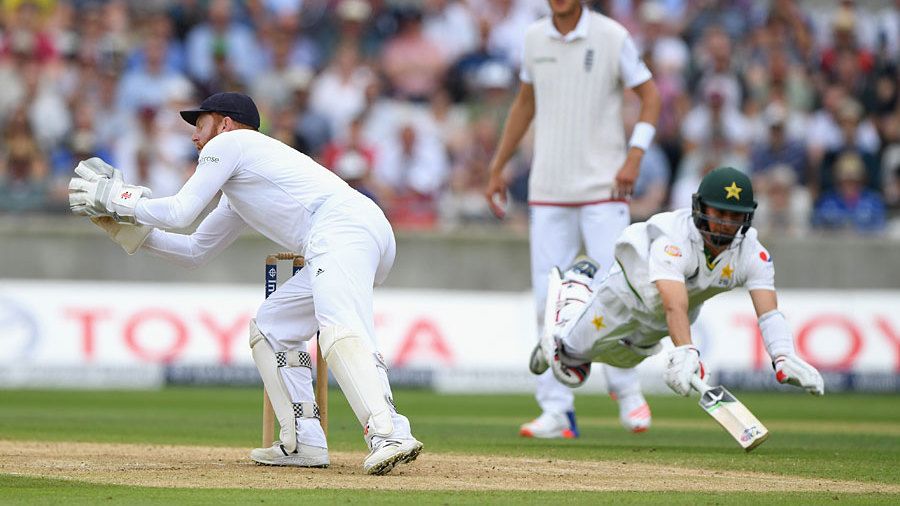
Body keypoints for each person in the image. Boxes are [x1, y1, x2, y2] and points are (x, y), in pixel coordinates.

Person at [67, 92, 423, 475]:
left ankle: (388, 433)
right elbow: (194, 251)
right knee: (272, 327)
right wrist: (130, 232)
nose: (194, 137)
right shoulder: (242, 183)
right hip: (356, 231)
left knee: (340, 329)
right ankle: (304, 440)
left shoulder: (231, 143)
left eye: (200, 125)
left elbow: (180, 212)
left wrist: (117, 198)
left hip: (341, 227)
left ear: (225, 123)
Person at [484, 0, 661, 438]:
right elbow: (525, 104)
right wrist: (498, 166)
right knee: (548, 300)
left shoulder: (611, 36)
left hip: (605, 186)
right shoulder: (533, 38)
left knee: (617, 289)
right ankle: (556, 410)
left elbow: (651, 97)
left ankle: (626, 389)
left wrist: (635, 156)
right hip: (548, 190)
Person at [530, 167, 825, 410]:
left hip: (662, 320)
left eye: (735, 216)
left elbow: (768, 312)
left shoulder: (752, 253)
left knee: (625, 358)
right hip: (628, 295)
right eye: (719, 212)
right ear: (700, 207)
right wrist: (686, 350)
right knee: (570, 359)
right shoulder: (673, 238)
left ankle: (573, 322)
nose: (726, 223)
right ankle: (577, 287)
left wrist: (783, 356)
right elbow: (674, 304)